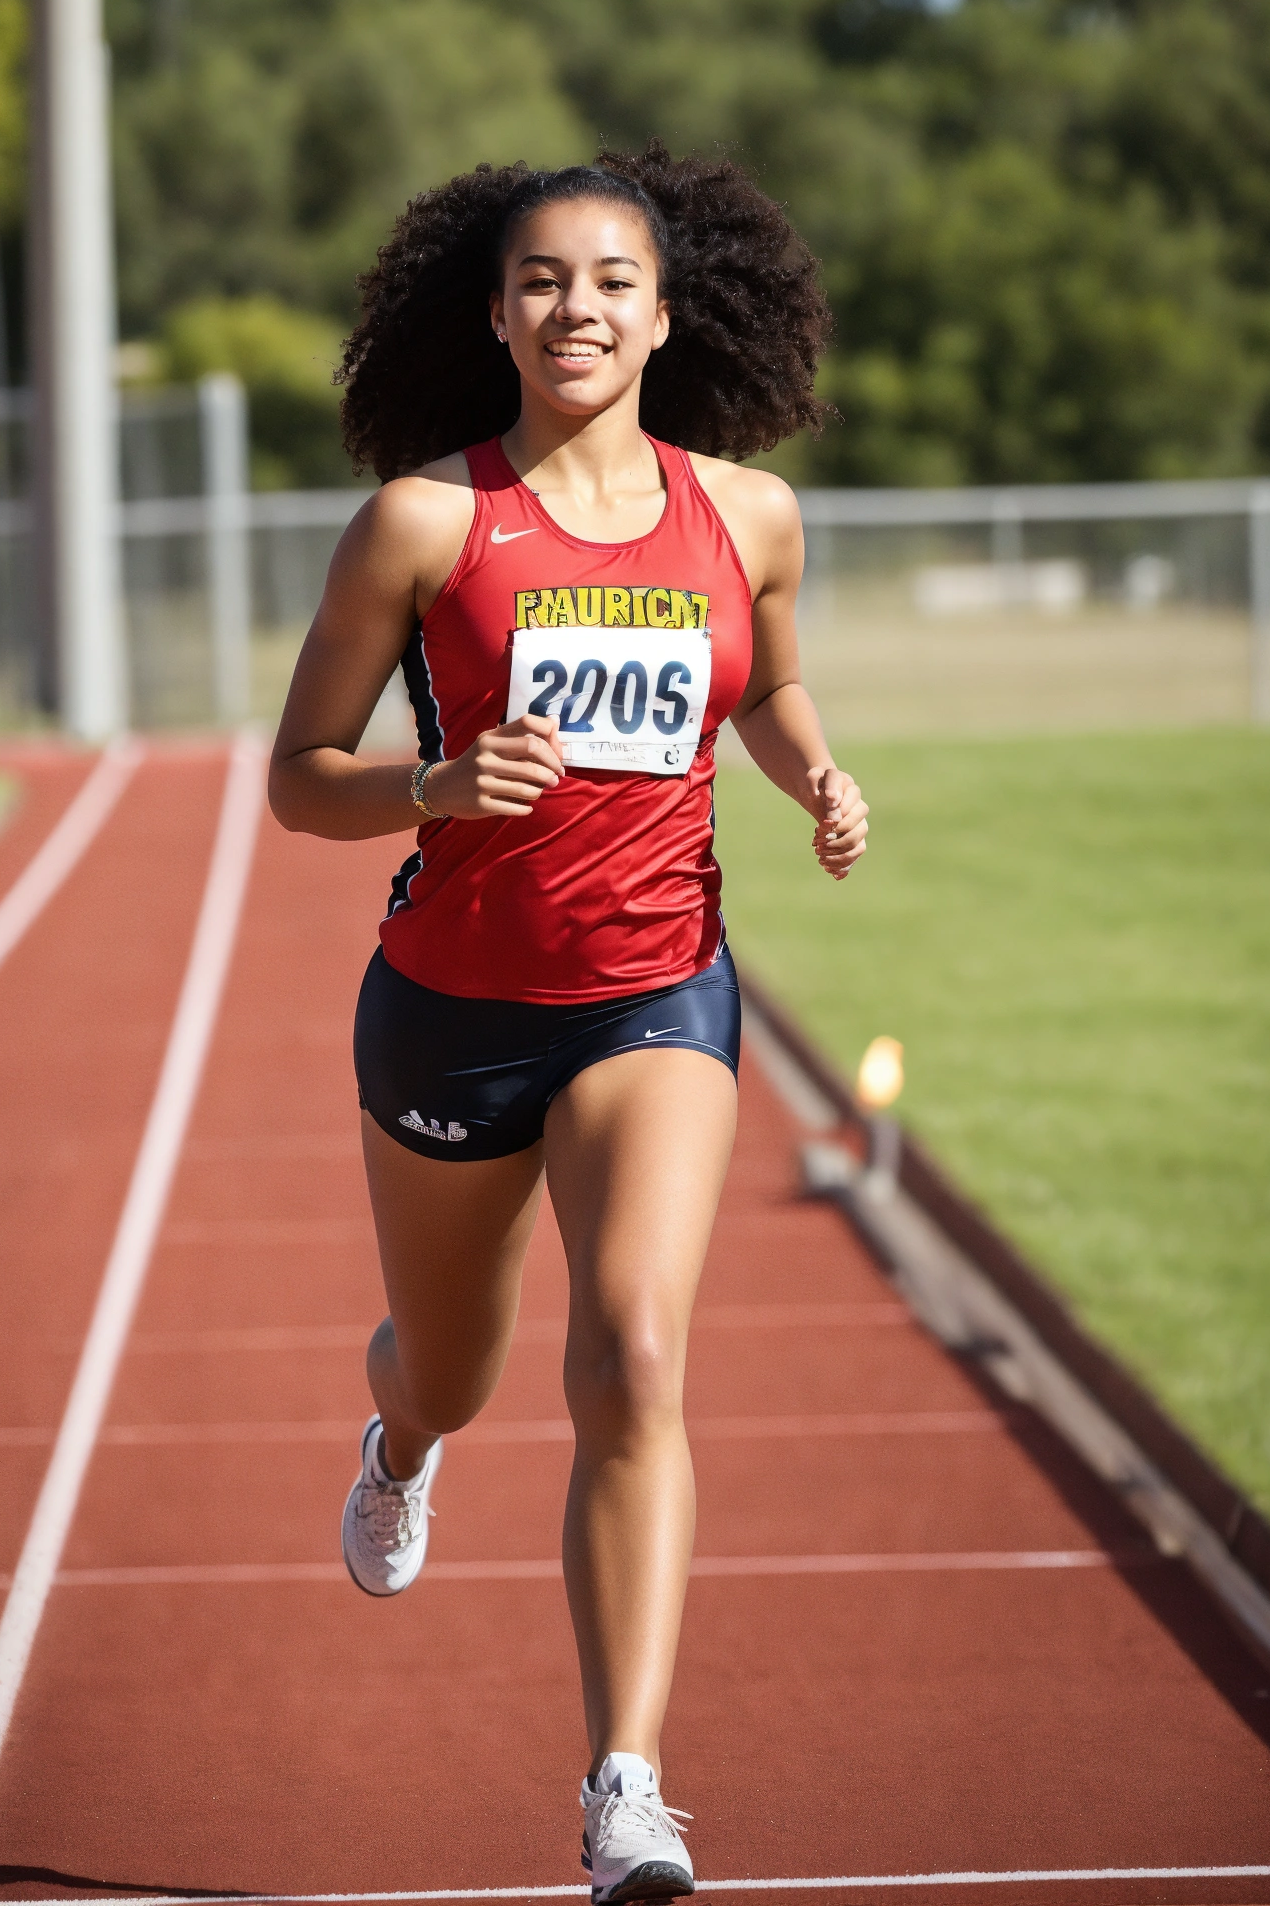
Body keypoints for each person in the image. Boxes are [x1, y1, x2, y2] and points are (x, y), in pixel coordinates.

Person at [269, 145, 868, 1904]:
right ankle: (401, 1446)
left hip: (656, 996)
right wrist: (433, 785)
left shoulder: (745, 512)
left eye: (613, 280)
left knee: (633, 1356)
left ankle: (627, 1788)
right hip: (451, 1017)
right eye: (543, 280)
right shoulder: (424, 523)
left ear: (669, 315)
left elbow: (770, 677)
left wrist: (818, 771)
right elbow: (300, 783)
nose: (578, 308)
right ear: (495, 312)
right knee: (448, 1368)